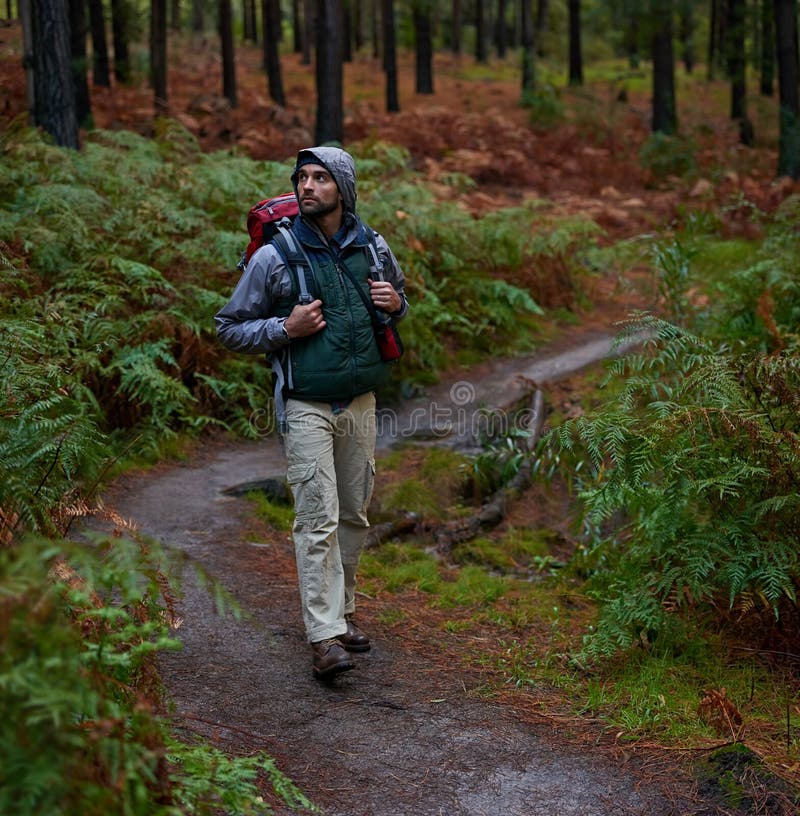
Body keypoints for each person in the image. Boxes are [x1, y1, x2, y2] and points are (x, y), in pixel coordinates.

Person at [215, 146, 408, 680]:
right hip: (304, 403)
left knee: (353, 513)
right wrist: (284, 329)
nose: (307, 186)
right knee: (317, 517)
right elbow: (228, 326)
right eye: (302, 178)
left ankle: (342, 617)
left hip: (361, 401)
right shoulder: (274, 256)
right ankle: (323, 637)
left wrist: (396, 304)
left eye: (320, 178)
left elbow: (399, 302)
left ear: (342, 189)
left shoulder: (373, 246)